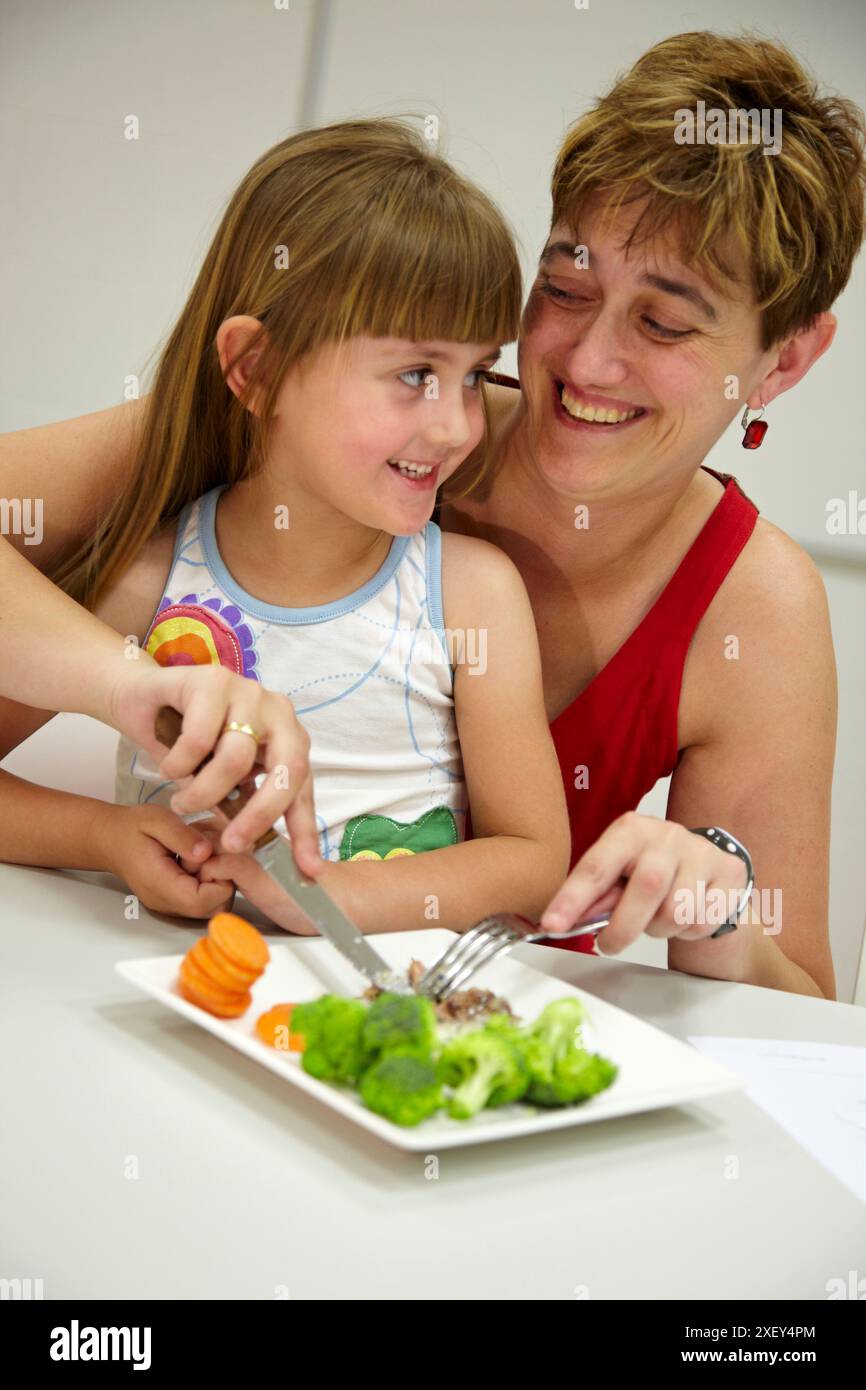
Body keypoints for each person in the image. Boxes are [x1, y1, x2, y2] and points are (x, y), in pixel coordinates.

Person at [2, 32, 859, 994]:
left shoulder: (755, 607)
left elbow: (809, 1024)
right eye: (566, 290)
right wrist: (121, 691)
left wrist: (717, 915)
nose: (585, 364)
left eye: (663, 323)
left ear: (784, 359)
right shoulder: (332, 428)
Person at [0, 118, 573, 934]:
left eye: (475, 374)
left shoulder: (473, 595)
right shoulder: (147, 584)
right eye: (415, 374)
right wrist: (106, 836)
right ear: (256, 369)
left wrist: (338, 901)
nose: (456, 426)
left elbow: (534, 854)